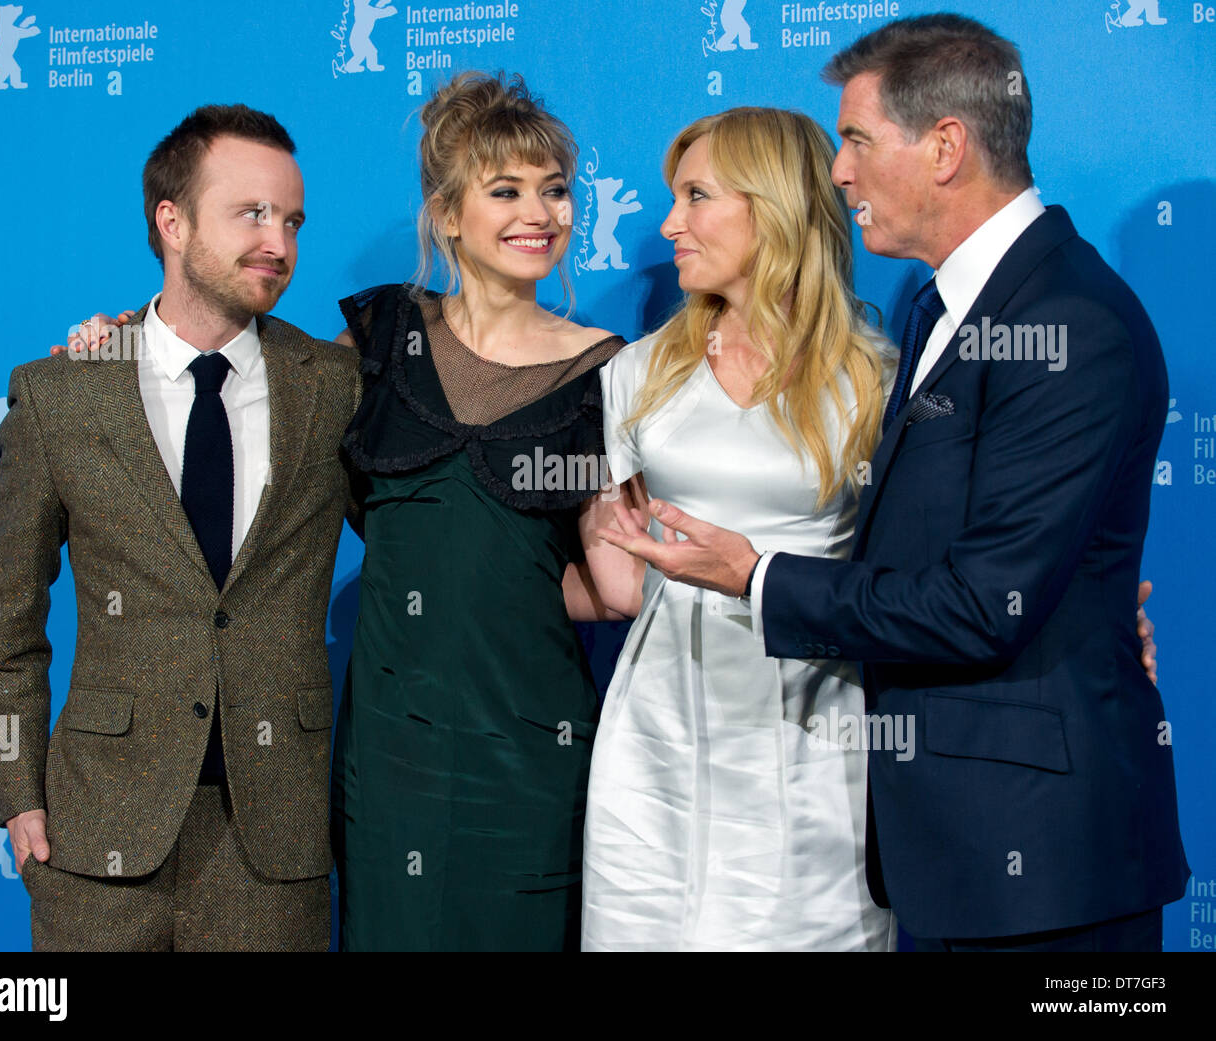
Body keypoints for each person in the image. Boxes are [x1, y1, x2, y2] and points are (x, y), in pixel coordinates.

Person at [598, 14, 1187, 952]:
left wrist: (754, 574)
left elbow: (983, 603)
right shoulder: (939, 309)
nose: (838, 171)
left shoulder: (1070, 321)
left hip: (1043, 866)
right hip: (947, 846)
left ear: (945, 147)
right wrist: (1093, 603)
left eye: (858, 140)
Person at [0, 104, 361, 951]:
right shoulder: (64, 392)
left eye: (292, 220)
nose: (280, 243)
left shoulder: (334, 387)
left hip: (274, 843)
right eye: (251, 213)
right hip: (95, 838)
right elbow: (7, 622)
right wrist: (17, 792)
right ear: (172, 221)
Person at [579, 107, 897, 951]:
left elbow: (920, 573)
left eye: (696, 196)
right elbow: (619, 576)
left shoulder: (877, 381)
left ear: (775, 207)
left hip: (812, 732)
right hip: (658, 733)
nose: (668, 223)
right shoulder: (635, 375)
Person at [330, 71, 630, 951]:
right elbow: (248, 392)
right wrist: (124, 334)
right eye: (505, 190)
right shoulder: (381, 338)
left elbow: (614, 587)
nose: (540, 212)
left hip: (530, 749)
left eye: (555, 189)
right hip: (391, 759)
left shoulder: (609, 370)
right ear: (448, 214)